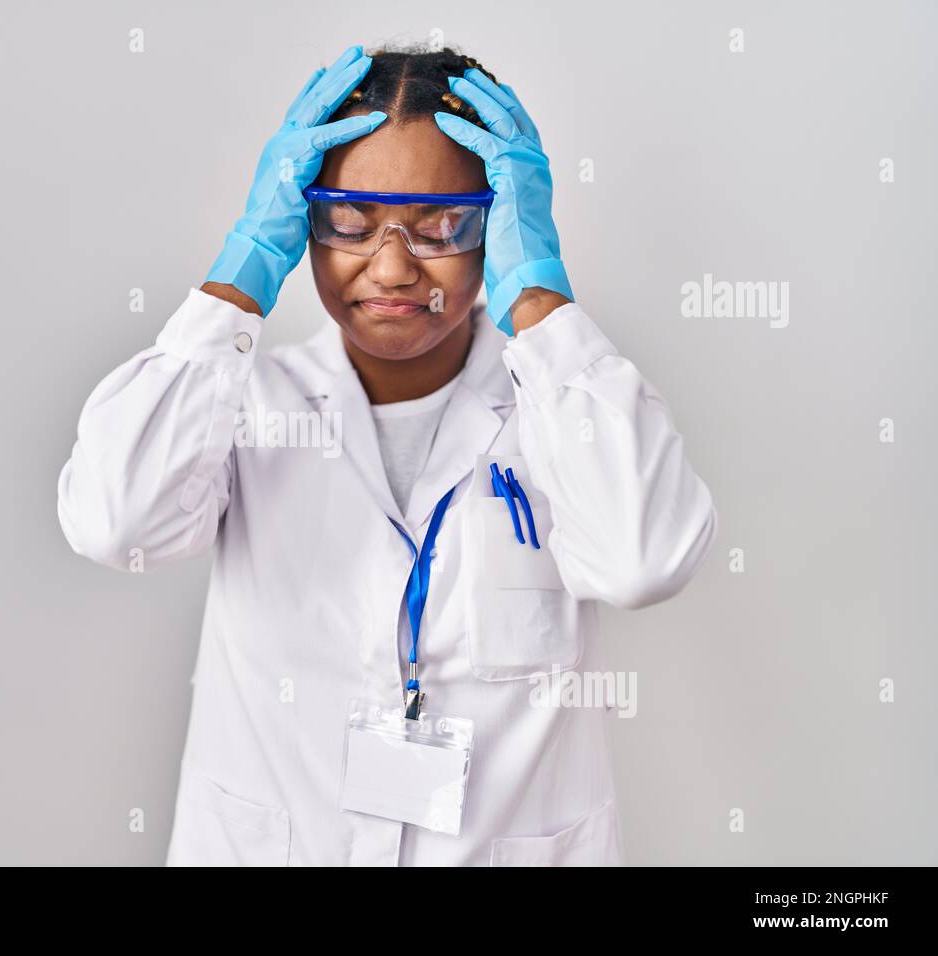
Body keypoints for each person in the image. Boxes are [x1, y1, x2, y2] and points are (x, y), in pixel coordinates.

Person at [56, 44, 717, 866]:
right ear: (298, 220)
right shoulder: (247, 405)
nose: (395, 265)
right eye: (350, 221)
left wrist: (541, 303)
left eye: (443, 224)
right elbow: (116, 524)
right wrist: (238, 277)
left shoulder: (559, 409)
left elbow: (642, 561)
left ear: (498, 226)